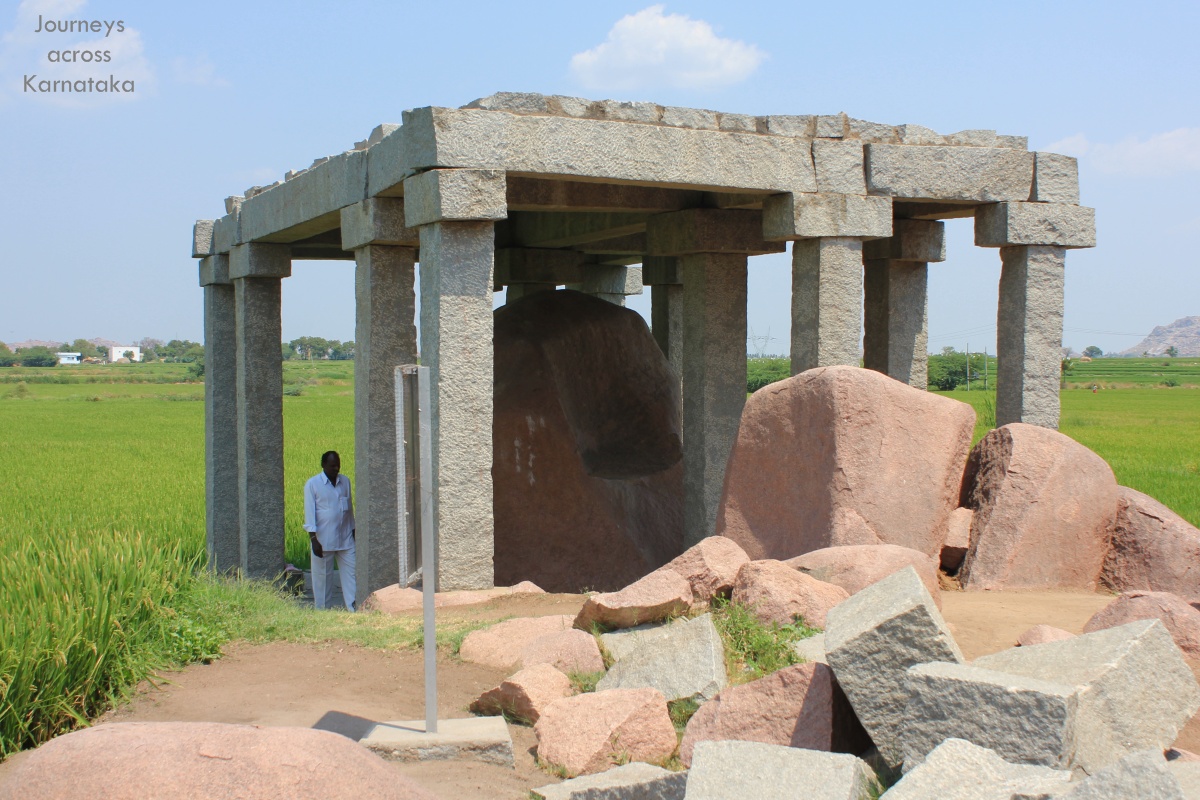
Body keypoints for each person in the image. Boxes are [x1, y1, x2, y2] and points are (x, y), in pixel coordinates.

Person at [303, 450, 356, 610]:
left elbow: (350, 509)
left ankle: (354, 609)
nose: (336, 468)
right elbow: (310, 513)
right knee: (322, 580)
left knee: (352, 575)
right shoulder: (313, 484)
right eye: (332, 465)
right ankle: (323, 612)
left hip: (346, 540)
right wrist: (313, 540)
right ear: (323, 465)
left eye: (338, 465)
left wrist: (354, 532)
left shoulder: (345, 482)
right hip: (323, 541)